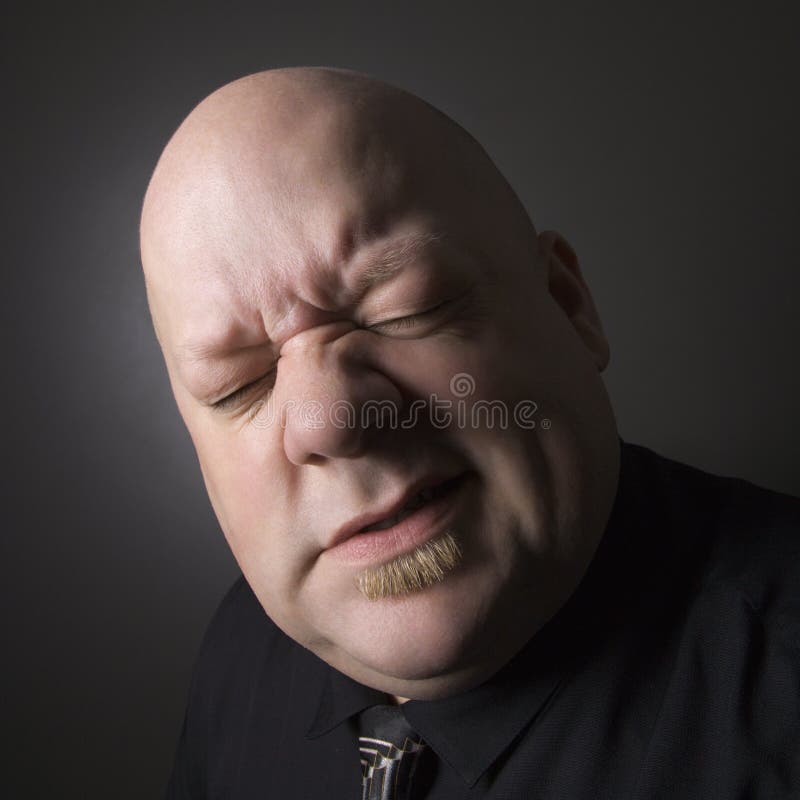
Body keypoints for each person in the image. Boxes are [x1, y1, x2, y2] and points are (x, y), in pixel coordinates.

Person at [140, 68, 799, 798]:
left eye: (404, 307)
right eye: (237, 387)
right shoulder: (239, 652)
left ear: (569, 305)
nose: (331, 420)